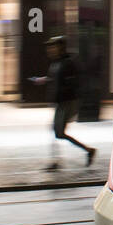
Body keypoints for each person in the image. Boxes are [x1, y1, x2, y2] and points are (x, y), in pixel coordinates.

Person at [34, 36, 96, 170]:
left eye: (53, 46)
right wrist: (43, 80)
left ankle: (86, 151)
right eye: (49, 47)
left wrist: (66, 92)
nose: (50, 49)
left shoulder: (68, 62)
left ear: (61, 47)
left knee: (59, 133)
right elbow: (54, 78)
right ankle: (62, 158)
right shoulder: (55, 62)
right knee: (56, 132)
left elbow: (74, 82)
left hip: (67, 102)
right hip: (60, 102)